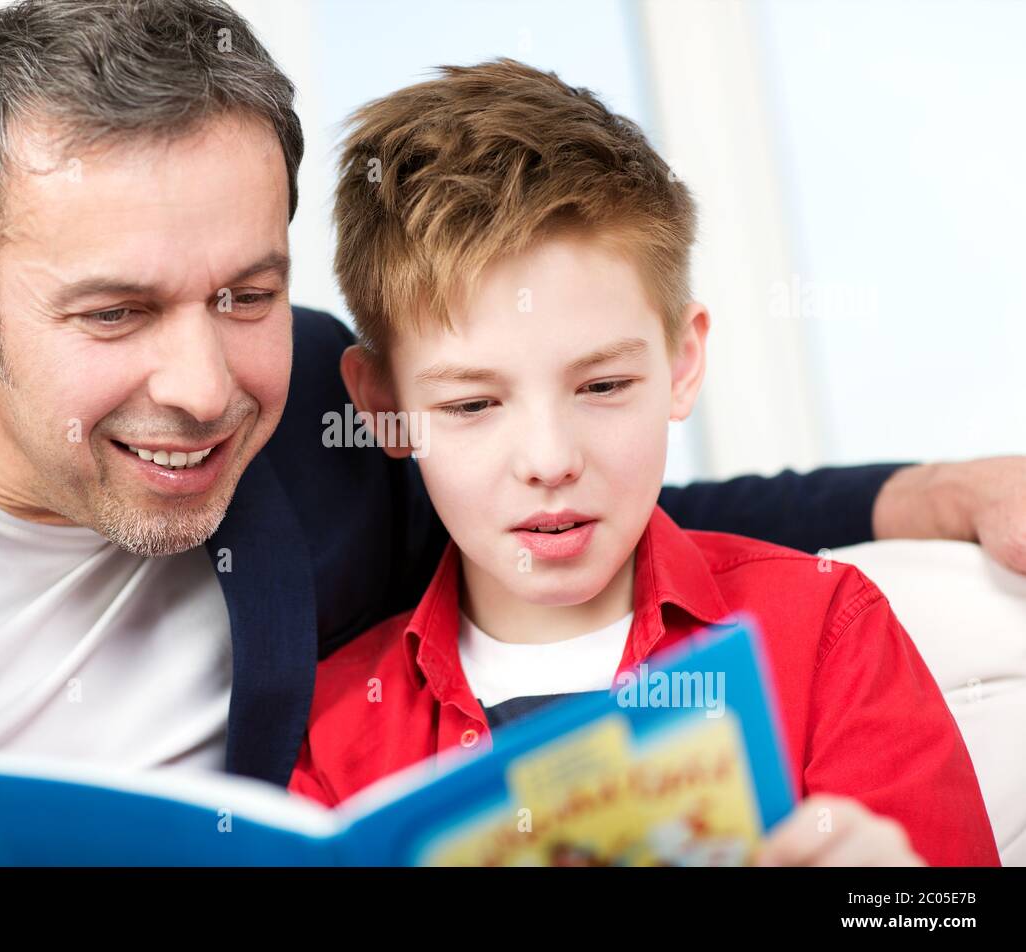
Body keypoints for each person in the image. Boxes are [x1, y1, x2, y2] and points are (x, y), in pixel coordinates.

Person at [0, 0, 1019, 866]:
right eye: (116, 313)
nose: (202, 387)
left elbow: (605, 493)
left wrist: (935, 489)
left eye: (246, 291)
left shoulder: (323, 414)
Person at [287, 58, 1000, 866]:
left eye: (602, 384)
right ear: (385, 409)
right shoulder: (330, 729)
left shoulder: (827, 633)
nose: (550, 461)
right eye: (473, 405)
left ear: (682, 363)